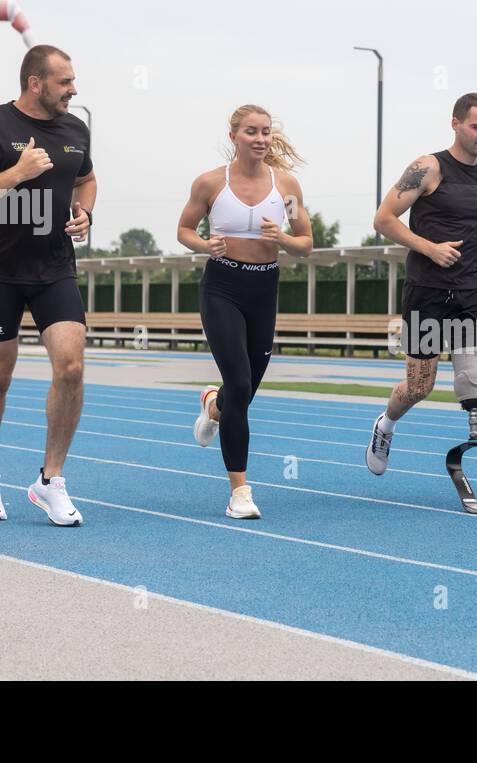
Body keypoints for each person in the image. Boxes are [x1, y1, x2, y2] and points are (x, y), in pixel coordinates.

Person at [0, 45, 95, 526]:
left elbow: (87, 179)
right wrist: (18, 172)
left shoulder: (76, 131)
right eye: (65, 82)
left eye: (73, 81)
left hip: (55, 267)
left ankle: (50, 480)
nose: (73, 89)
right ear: (36, 83)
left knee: (71, 368)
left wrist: (85, 213)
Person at [364, 93, 477, 476]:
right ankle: (385, 425)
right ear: (456, 124)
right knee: (419, 387)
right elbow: (383, 219)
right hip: (427, 290)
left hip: (469, 290)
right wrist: (429, 248)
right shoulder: (429, 167)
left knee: (470, 378)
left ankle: (471, 434)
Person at [177, 105, 313, 519]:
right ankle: (240, 491)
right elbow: (184, 229)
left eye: (266, 132)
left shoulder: (286, 184)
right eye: (251, 131)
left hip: (263, 288)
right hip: (222, 286)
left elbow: (306, 241)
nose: (260, 138)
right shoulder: (210, 183)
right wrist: (206, 246)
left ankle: (214, 406)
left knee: (243, 390)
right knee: (238, 378)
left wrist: (283, 238)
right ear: (234, 135)